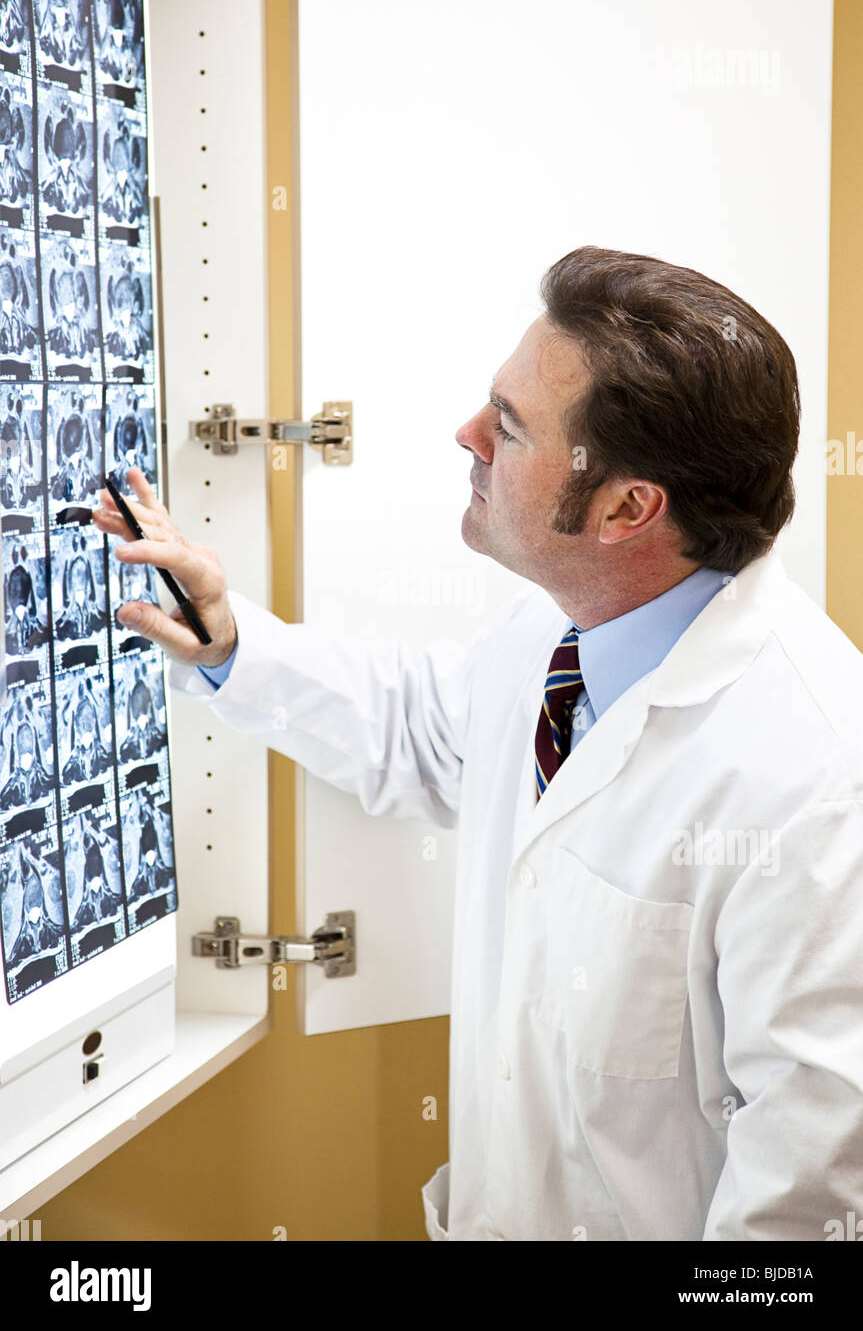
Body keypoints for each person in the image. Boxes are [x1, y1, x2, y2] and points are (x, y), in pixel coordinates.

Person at [91, 246, 863, 1242]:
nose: (464, 436)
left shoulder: (811, 777)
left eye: (505, 427)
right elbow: (422, 729)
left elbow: (803, 1205)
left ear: (627, 507)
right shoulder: (559, 635)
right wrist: (229, 640)